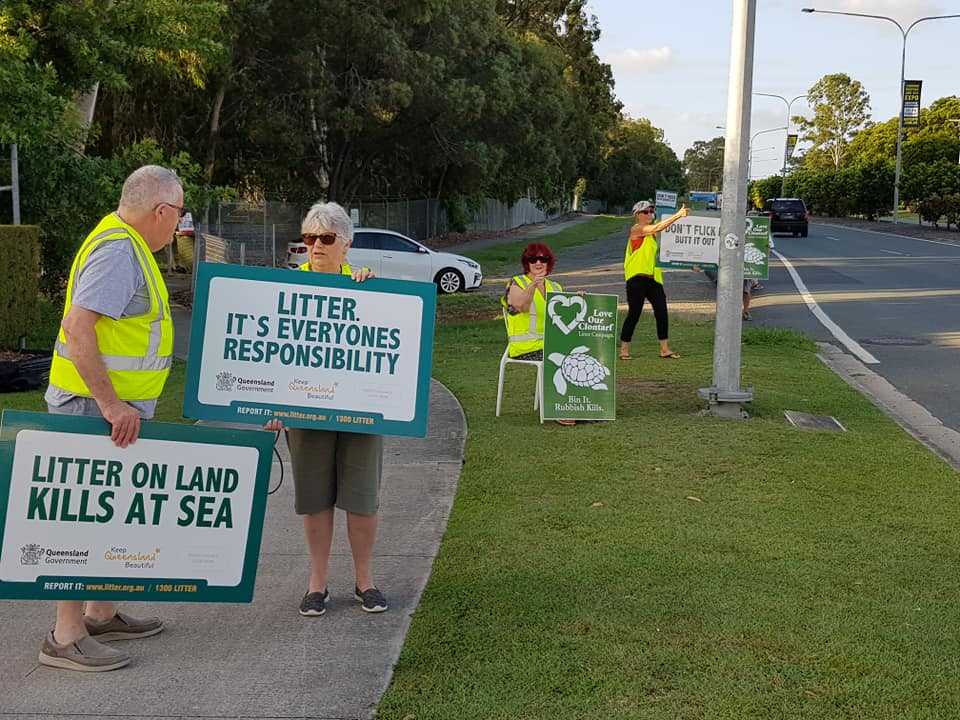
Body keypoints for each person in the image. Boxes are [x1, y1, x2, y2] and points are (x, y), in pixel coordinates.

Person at [41, 165, 182, 672]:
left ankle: (99, 613)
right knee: (79, 520)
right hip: (92, 408)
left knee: (106, 517)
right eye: (179, 215)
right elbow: (79, 328)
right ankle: (65, 634)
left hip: (112, 411)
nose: (179, 226)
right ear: (161, 210)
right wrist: (109, 404)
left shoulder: (127, 245)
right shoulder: (120, 251)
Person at [264, 201, 388, 618]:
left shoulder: (366, 286)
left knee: (362, 498)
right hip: (306, 410)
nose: (316, 245)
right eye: (310, 237)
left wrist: (369, 289)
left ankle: (365, 581)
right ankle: (316, 584)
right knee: (314, 498)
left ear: (346, 243)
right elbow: (272, 353)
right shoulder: (286, 288)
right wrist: (271, 403)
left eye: (327, 238)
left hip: (360, 410)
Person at [619, 200, 690, 361]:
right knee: (634, 313)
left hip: (654, 279)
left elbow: (669, 252)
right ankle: (624, 349)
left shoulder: (653, 236)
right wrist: (678, 215)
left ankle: (664, 349)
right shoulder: (637, 229)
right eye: (646, 212)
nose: (650, 214)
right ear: (637, 215)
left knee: (662, 312)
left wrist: (692, 264)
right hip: (636, 278)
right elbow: (658, 227)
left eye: (652, 211)